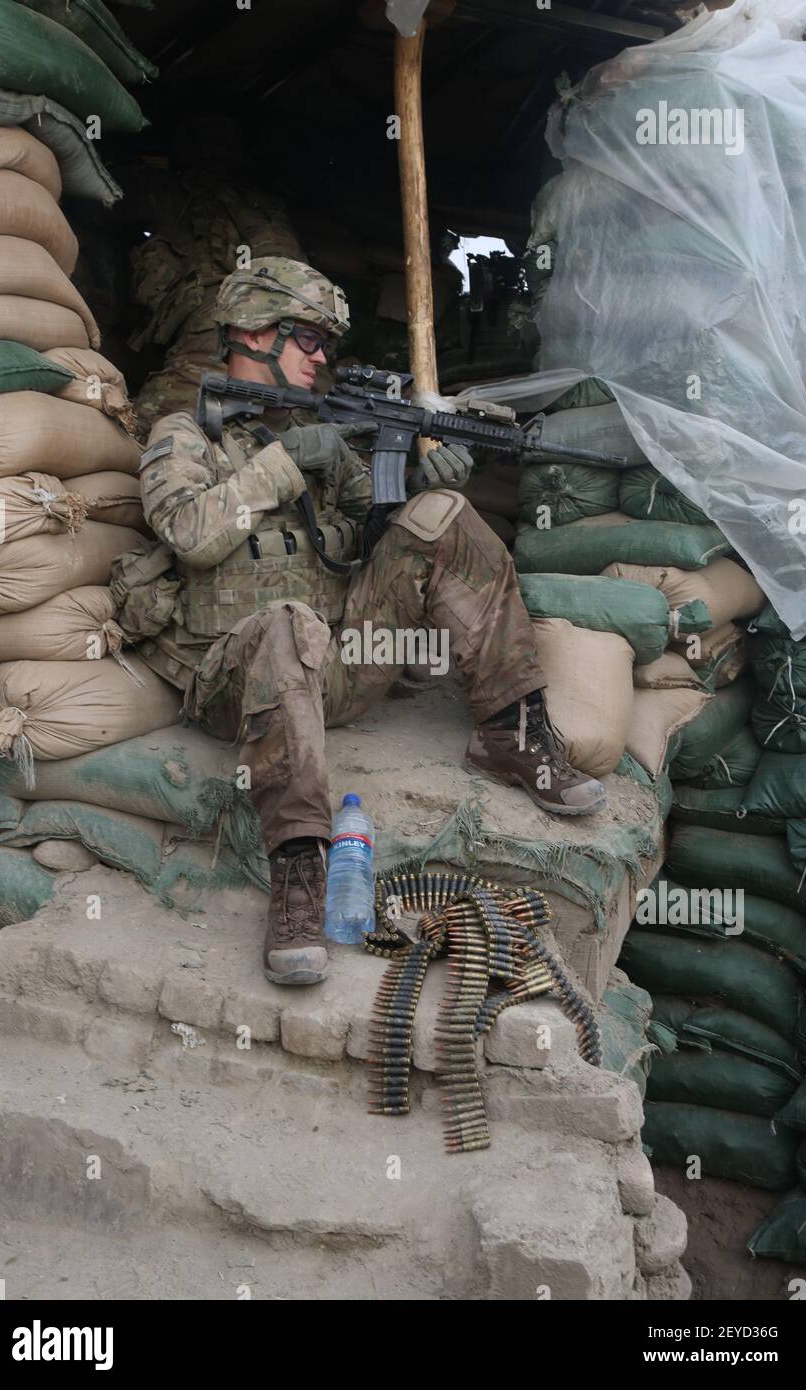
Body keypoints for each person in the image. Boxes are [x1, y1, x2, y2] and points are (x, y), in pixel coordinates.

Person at [132, 257, 605, 988]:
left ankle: (511, 733)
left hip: (341, 667)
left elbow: (379, 540)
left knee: (444, 516)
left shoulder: (323, 436)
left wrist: (419, 483)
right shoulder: (185, 436)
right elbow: (189, 532)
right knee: (285, 621)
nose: (323, 359)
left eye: (325, 344)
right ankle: (298, 872)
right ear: (254, 333)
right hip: (243, 687)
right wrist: (284, 464)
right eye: (308, 340)